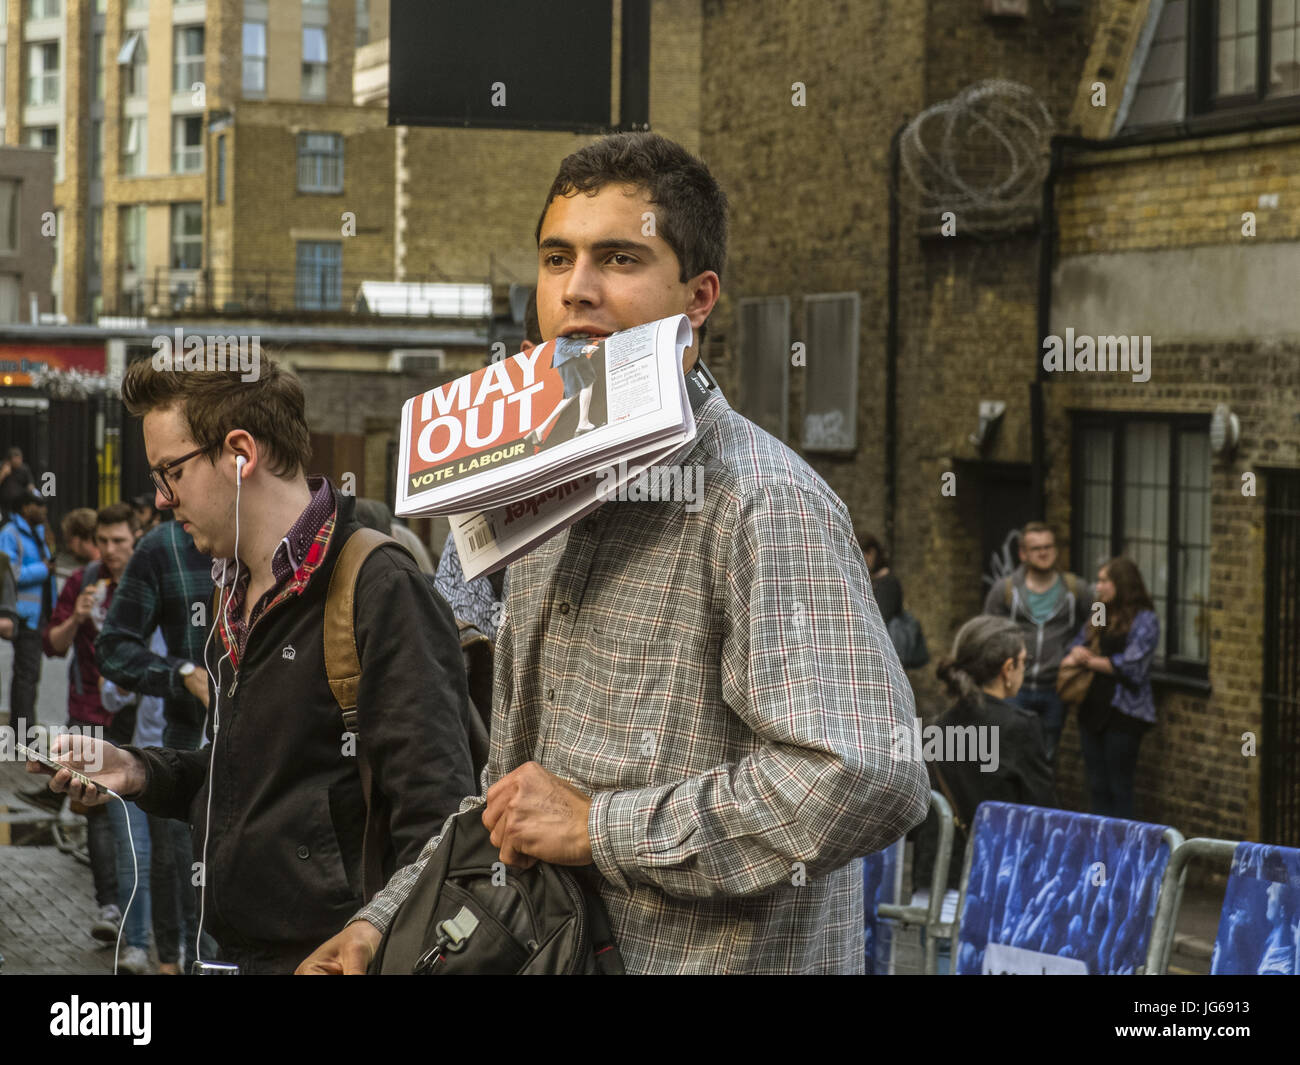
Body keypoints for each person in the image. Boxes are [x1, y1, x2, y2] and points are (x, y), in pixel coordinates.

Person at [300, 131, 929, 975]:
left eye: (620, 258)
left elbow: (868, 776)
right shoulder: (537, 496)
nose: (577, 289)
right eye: (556, 258)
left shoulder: (762, 500)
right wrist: (383, 921)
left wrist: (602, 828)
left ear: (698, 297)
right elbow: (513, 800)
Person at [38, 355, 478, 974]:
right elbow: (244, 779)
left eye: (171, 472)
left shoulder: (380, 586)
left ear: (240, 453)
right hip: (238, 953)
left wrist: (374, 935)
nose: (162, 499)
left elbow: (440, 819)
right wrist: (136, 770)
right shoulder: (237, 591)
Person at [95, 516, 216, 975]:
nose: (164, 498)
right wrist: (183, 675)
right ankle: (165, 958)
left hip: (262, 763)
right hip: (175, 757)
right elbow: (113, 655)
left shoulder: (288, 544)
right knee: (164, 868)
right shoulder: (164, 551)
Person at [42, 503, 150, 972]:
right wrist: (77, 618)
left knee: (139, 812)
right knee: (97, 809)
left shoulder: (146, 578)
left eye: (118, 541)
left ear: (134, 538)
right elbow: (52, 644)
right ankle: (110, 906)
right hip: (88, 710)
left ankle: (145, 915)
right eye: (102, 542)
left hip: (138, 714)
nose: (109, 550)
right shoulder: (84, 580)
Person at [912, 616, 1055, 894]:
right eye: (1024, 661)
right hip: (991, 885)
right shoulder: (1019, 728)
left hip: (934, 880)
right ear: (1008, 668)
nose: (1024, 668)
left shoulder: (934, 729)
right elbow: (1042, 812)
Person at [982, 522, 1092, 767]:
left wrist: (1083, 646)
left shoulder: (1076, 588)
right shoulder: (1005, 590)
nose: (1044, 553)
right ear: (1023, 554)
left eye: (1048, 547)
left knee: (1046, 758)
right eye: (1036, 548)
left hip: (1055, 688)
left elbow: (1100, 617)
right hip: (1014, 687)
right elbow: (986, 631)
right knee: (1010, 754)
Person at [1061, 556, 1159, 820]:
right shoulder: (1101, 611)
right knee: (1097, 785)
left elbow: (1133, 665)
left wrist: (1089, 661)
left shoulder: (1144, 619)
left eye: (1105, 581)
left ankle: (1122, 842)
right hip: (1092, 707)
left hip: (1124, 713)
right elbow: (1078, 642)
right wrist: (1078, 652)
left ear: (1122, 583)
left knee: (1119, 786)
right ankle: (1101, 841)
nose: (1098, 586)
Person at [0, 488, 57, 728]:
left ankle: (22, 727)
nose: (44, 510)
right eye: (38, 505)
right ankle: (24, 731)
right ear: (25, 508)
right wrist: (44, 569)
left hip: (39, 614)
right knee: (26, 674)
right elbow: (8, 573)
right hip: (22, 614)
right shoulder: (10, 534)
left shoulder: (39, 533)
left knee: (30, 674)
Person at [0, 446, 35, 521]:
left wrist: (30, 488)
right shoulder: (2, 466)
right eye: (16, 459)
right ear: (9, 460)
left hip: (19, 505)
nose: (19, 461)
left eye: (20, 459)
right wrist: (3, 473)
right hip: (3, 505)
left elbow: (30, 483)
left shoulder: (24, 469)